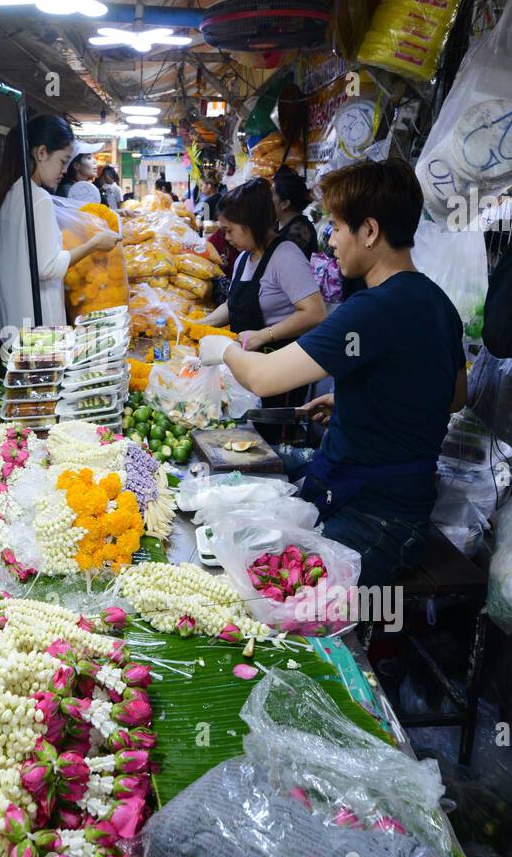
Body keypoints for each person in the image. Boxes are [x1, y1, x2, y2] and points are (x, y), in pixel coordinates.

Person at [200, 161, 467, 586]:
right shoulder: (438, 303)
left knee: (284, 605)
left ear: (370, 231)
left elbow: (263, 378)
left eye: (338, 226)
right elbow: (453, 397)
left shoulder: (371, 309)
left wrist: (224, 348)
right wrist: (359, 398)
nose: (332, 240)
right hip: (407, 505)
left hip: (372, 517)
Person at [0, 114, 119, 334]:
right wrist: (94, 243)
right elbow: (49, 267)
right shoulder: (38, 199)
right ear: (41, 153)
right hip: (40, 330)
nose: (65, 170)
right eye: (63, 160)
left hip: (9, 323)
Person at [202, 179, 325, 391]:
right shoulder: (244, 258)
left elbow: (315, 313)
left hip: (281, 369)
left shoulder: (286, 256)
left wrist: (263, 335)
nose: (226, 237)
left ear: (251, 223)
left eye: (229, 230)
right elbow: (234, 305)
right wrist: (197, 326)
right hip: (248, 368)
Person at [272, 167, 318, 258]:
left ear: (284, 203)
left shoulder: (298, 232)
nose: (267, 199)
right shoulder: (278, 224)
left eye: (271, 194)